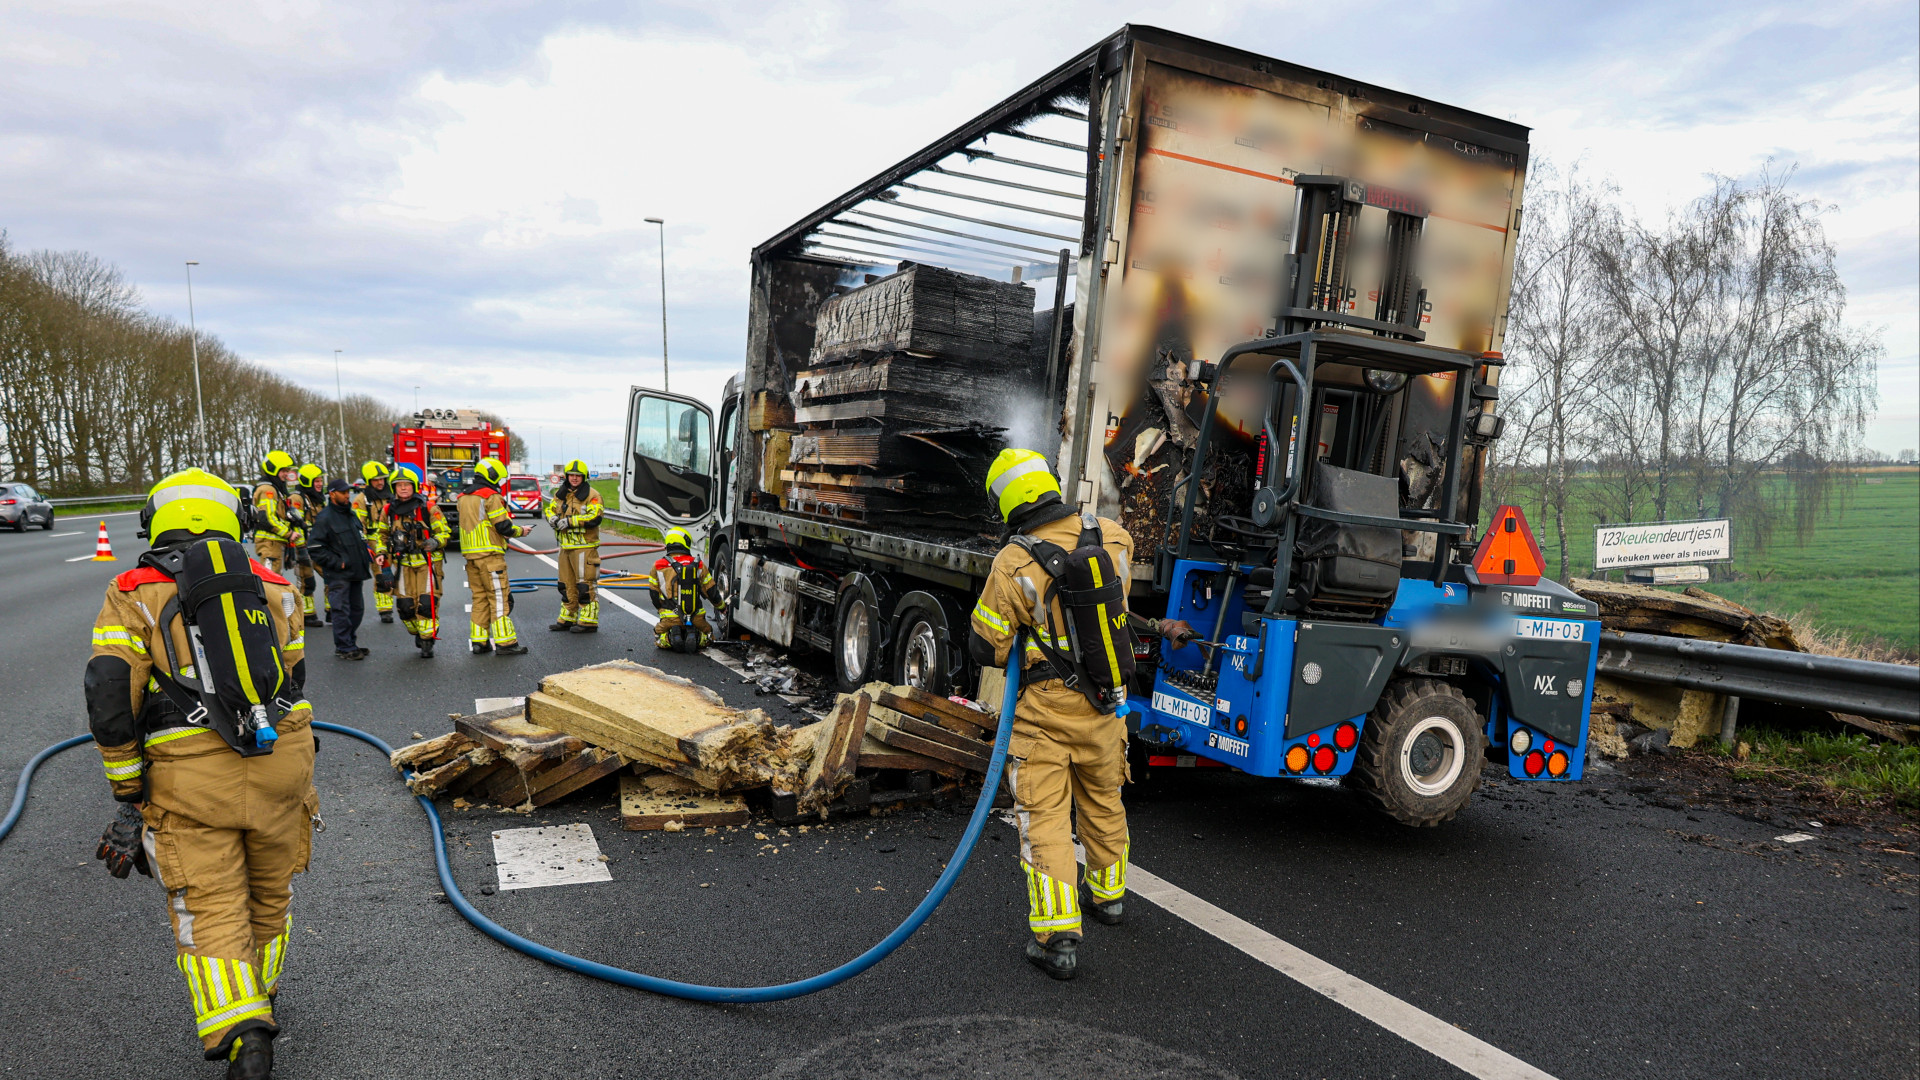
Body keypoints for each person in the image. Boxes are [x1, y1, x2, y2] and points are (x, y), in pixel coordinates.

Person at [85, 468, 317, 1079]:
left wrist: (128, 790)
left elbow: (111, 692)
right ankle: (259, 994)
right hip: (282, 760)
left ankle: (242, 1029)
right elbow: (292, 681)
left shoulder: (132, 588)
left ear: (154, 520)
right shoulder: (274, 583)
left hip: (190, 774)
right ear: (230, 519)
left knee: (210, 900)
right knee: (270, 892)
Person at [966, 448, 1195, 981]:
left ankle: (1057, 938)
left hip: (1046, 710)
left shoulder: (1013, 561)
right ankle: (1110, 898)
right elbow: (1109, 611)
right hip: (1106, 704)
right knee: (1103, 798)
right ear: (1046, 482)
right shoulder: (1113, 536)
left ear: (1006, 501)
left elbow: (986, 646)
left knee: (1044, 815)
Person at [458, 457, 529, 656]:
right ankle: (505, 643)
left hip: (471, 558)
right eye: (499, 478)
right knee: (499, 599)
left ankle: (480, 642)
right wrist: (520, 531)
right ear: (493, 475)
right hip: (490, 556)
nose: (499, 483)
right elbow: (502, 526)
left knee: (479, 598)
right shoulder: (491, 496)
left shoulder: (463, 497)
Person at [385, 464, 450, 658]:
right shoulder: (389, 510)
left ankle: (427, 640)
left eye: (407, 484)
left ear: (414, 486)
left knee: (426, 604)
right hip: (403, 565)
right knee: (405, 607)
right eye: (399, 485)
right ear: (393, 488)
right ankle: (417, 633)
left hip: (427, 564)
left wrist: (435, 541)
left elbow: (445, 532)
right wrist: (381, 553)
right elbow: (380, 534)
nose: (403, 488)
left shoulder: (428, 508)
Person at [307, 478, 373, 659]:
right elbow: (314, 548)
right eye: (343, 492)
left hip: (355, 572)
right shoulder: (325, 517)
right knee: (341, 610)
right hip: (339, 574)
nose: (347, 495)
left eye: (347, 492)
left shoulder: (350, 514)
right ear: (332, 494)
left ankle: (350, 642)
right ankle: (344, 647)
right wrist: (338, 562)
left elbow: (360, 539)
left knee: (357, 610)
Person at [545, 458, 604, 633]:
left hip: (584, 547)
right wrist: (552, 518)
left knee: (585, 585)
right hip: (565, 547)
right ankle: (567, 617)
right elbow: (550, 509)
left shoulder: (593, 495)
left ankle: (588, 621)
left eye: (578, 476)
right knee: (565, 584)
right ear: (567, 476)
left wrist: (571, 522)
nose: (575, 478)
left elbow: (595, 518)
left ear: (583, 477)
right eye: (572, 475)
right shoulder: (560, 494)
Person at [650, 527, 723, 651]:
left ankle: (669, 637)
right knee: (709, 636)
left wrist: (661, 609)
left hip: (669, 617)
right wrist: (722, 608)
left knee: (658, 636)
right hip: (696, 618)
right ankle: (698, 636)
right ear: (685, 543)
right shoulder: (698, 564)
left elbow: (654, 595)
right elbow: (711, 592)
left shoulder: (658, 565)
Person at [353, 461, 396, 624]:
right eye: (376, 479)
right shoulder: (361, 499)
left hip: (394, 538)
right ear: (368, 481)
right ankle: (385, 609)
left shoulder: (391, 495)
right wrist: (363, 545)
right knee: (382, 575)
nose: (380, 482)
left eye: (382, 479)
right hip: (374, 541)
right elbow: (358, 524)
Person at [250, 451, 299, 575]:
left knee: (276, 581)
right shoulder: (268, 490)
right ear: (273, 470)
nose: (286, 474)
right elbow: (267, 518)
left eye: (287, 471)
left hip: (275, 544)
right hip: (270, 545)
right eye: (283, 471)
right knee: (270, 582)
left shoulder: (275, 488)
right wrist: (289, 534)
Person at [290, 464, 327, 627]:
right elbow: (294, 521)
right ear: (307, 481)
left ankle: (333, 610)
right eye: (316, 481)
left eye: (321, 481)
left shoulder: (319, 499)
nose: (320, 484)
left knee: (331, 575)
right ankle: (308, 614)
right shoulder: (298, 499)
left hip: (320, 545)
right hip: (303, 546)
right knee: (307, 581)